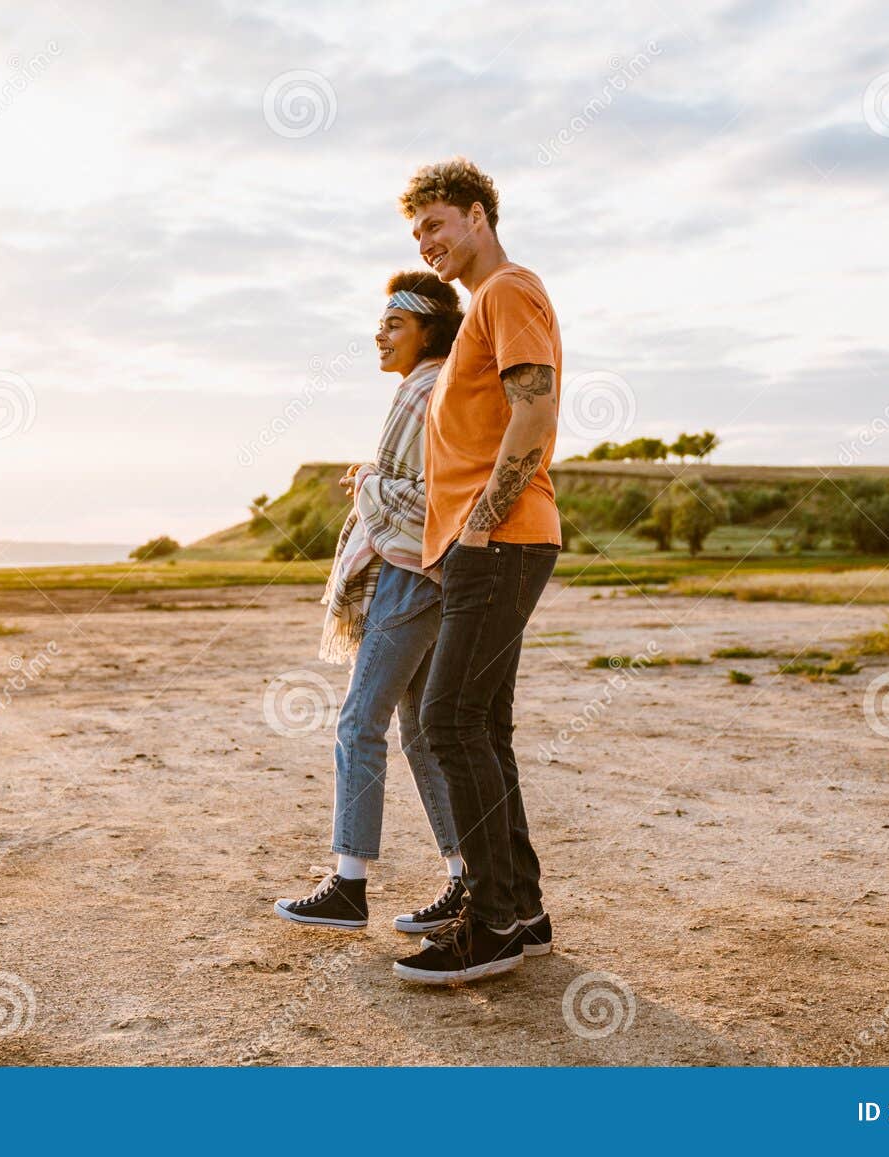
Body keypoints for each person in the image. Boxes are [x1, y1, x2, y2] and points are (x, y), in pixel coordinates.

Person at [391, 158, 563, 984]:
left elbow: (536, 406)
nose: (426, 242)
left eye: (435, 224)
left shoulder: (506, 290)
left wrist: (479, 526)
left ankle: (487, 921)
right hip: (494, 540)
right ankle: (519, 911)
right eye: (417, 231)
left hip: (499, 539)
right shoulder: (487, 308)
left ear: (477, 215)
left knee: (448, 718)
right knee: (480, 724)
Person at [274, 271, 470, 934]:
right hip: (436, 573)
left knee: (361, 722)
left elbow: (415, 500)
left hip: (410, 573)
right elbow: (420, 485)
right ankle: (466, 877)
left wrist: (364, 482)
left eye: (394, 322)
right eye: (380, 321)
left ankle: (349, 886)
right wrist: (374, 479)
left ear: (429, 330)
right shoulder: (439, 385)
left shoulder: (422, 388)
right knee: (419, 731)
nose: (379, 334)